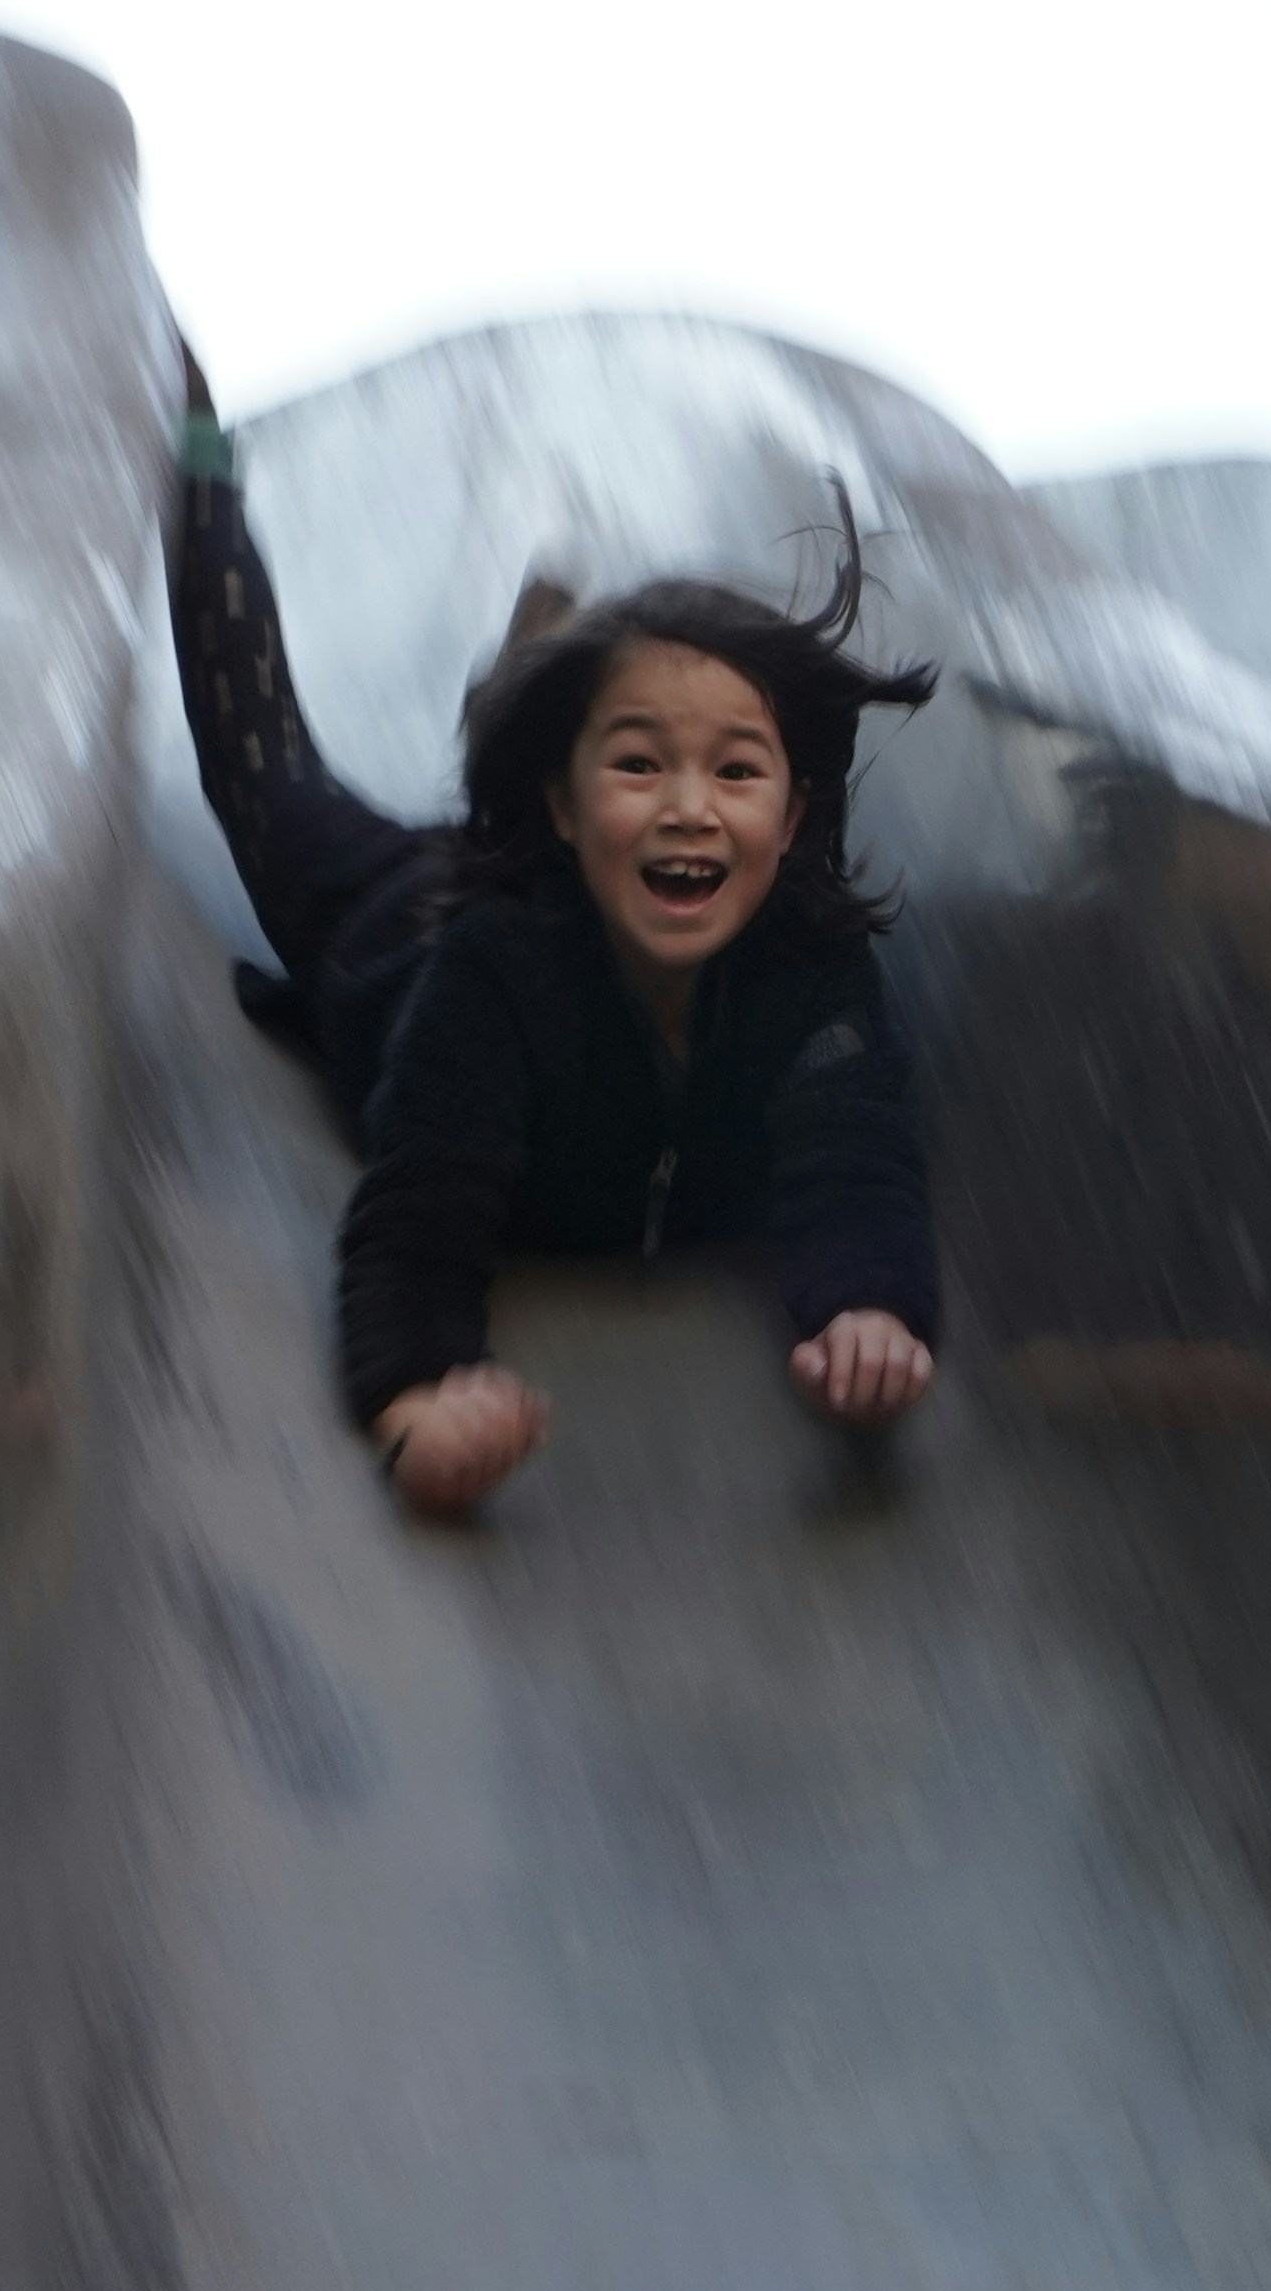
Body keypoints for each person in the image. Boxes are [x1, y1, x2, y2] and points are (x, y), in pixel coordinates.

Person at [162, 345, 947, 1517]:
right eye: (641, 764)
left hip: (536, 859)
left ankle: (538, 681)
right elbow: (419, 1211)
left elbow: (859, 1160)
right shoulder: (493, 976)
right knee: (263, 769)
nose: (691, 802)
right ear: (567, 809)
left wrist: (869, 1309)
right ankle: (201, 467)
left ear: (791, 819)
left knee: (571, 719)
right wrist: (414, 1395)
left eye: (736, 769)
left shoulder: (812, 972)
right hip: (397, 919)